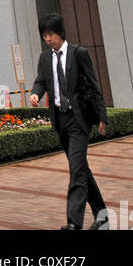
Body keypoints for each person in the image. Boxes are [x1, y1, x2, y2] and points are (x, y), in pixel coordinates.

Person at [29, 12, 109, 230]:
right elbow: (41, 81)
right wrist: (36, 93)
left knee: (76, 169)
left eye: (51, 34)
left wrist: (102, 117)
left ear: (60, 33)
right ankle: (103, 217)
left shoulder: (78, 53)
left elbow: (94, 85)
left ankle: (73, 223)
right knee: (81, 167)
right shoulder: (45, 58)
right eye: (44, 35)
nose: (48, 39)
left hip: (78, 119)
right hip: (60, 120)